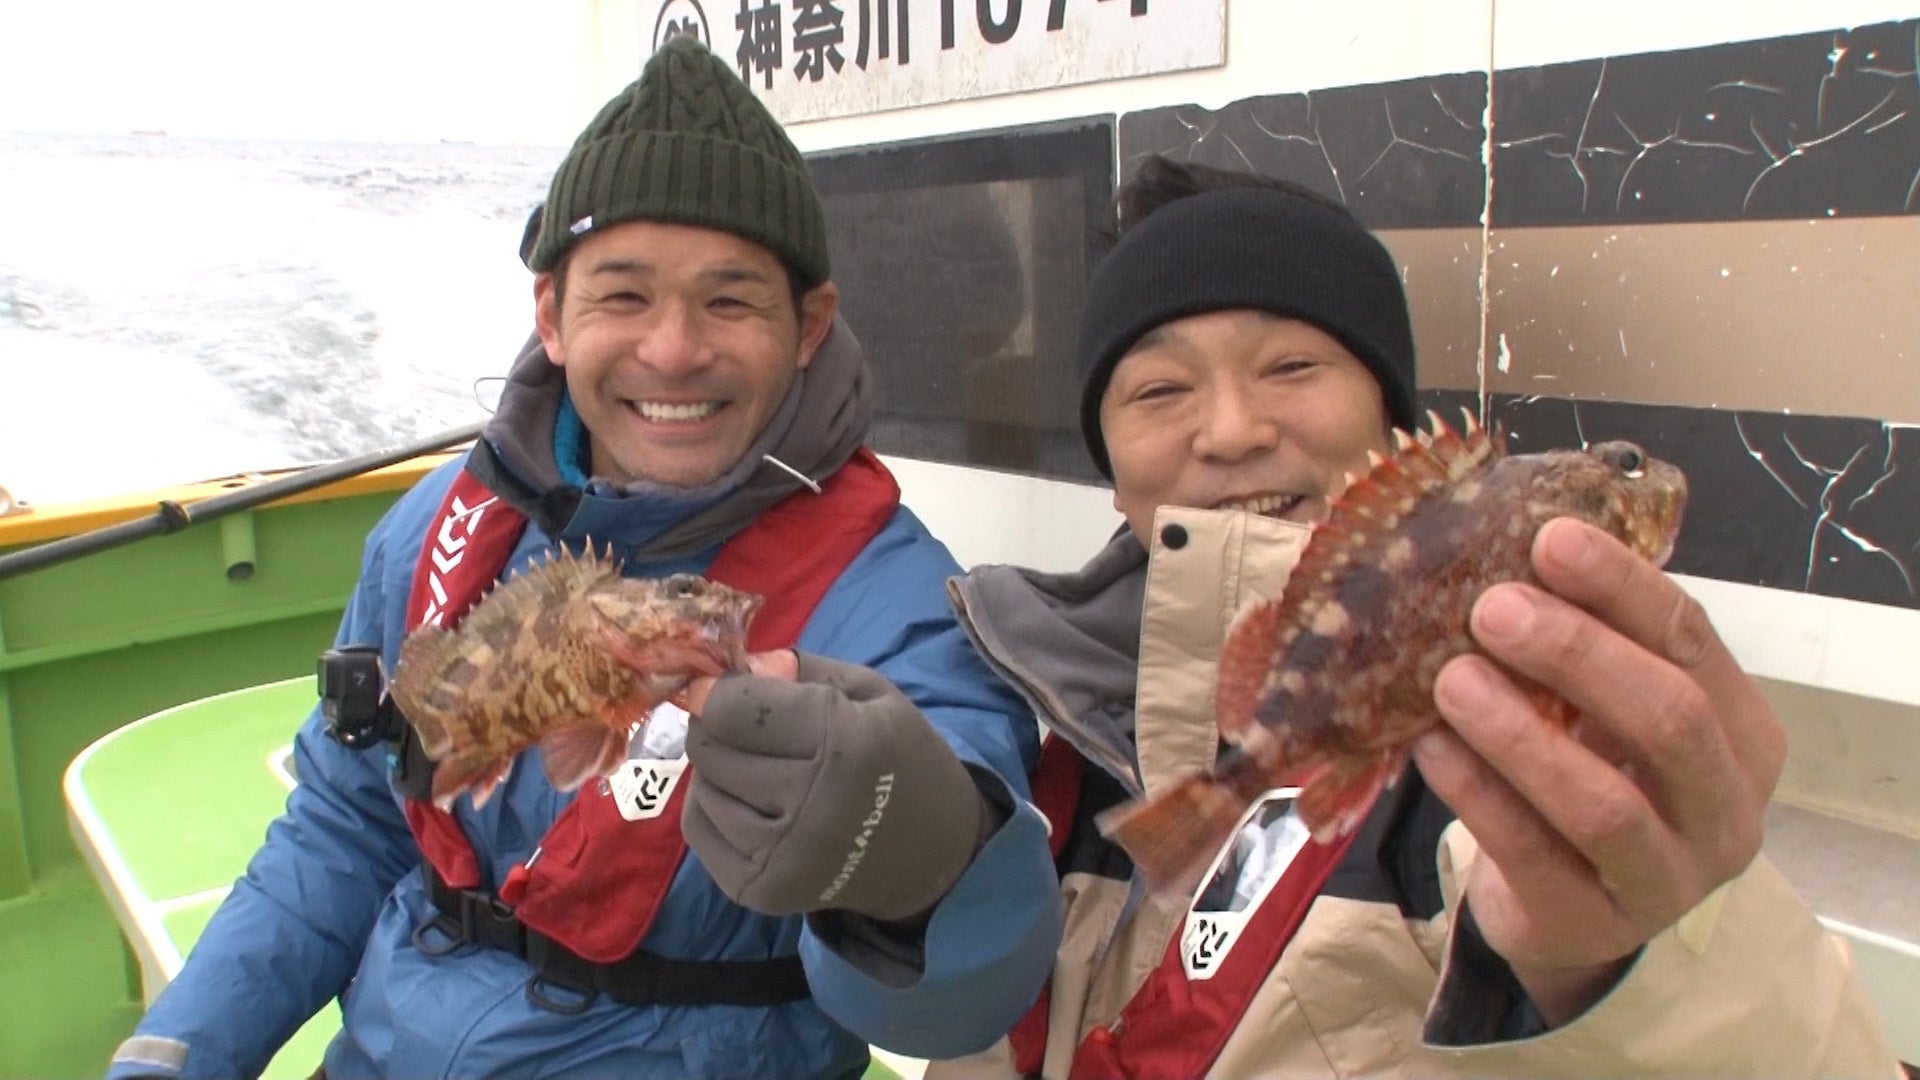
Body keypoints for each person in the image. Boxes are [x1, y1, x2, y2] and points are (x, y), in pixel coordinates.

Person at [108, 37, 1059, 1080]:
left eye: (731, 300)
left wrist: (921, 856)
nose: (672, 351)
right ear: (554, 318)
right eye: (623, 296)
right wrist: (176, 1050)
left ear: (808, 327)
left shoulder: (900, 601)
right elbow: (344, 823)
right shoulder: (436, 529)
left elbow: (972, 996)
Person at [935, 156, 1901, 1078]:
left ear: (1391, 427)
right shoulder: (1041, 714)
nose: (1230, 431)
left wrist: (1649, 960)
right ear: (1108, 467)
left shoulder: (1482, 778)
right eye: (1158, 388)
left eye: (1293, 365)